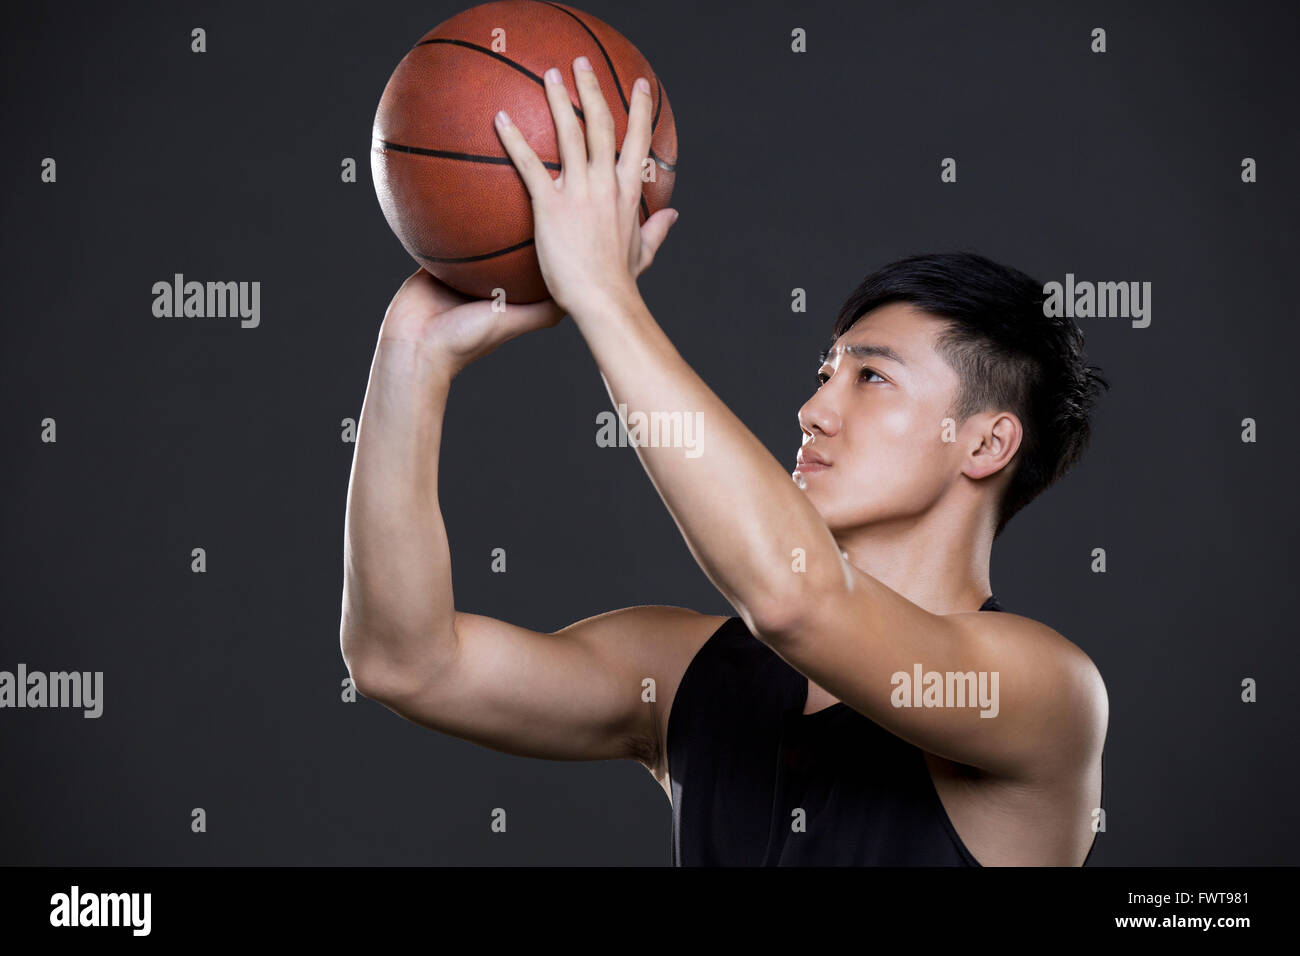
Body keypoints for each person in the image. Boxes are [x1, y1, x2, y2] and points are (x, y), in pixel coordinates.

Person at [339, 58, 1109, 866]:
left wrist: (605, 297)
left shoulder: (1044, 691)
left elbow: (797, 600)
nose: (813, 410)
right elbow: (406, 663)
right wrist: (411, 354)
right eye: (825, 374)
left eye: (872, 378)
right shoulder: (680, 672)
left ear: (985, 444)